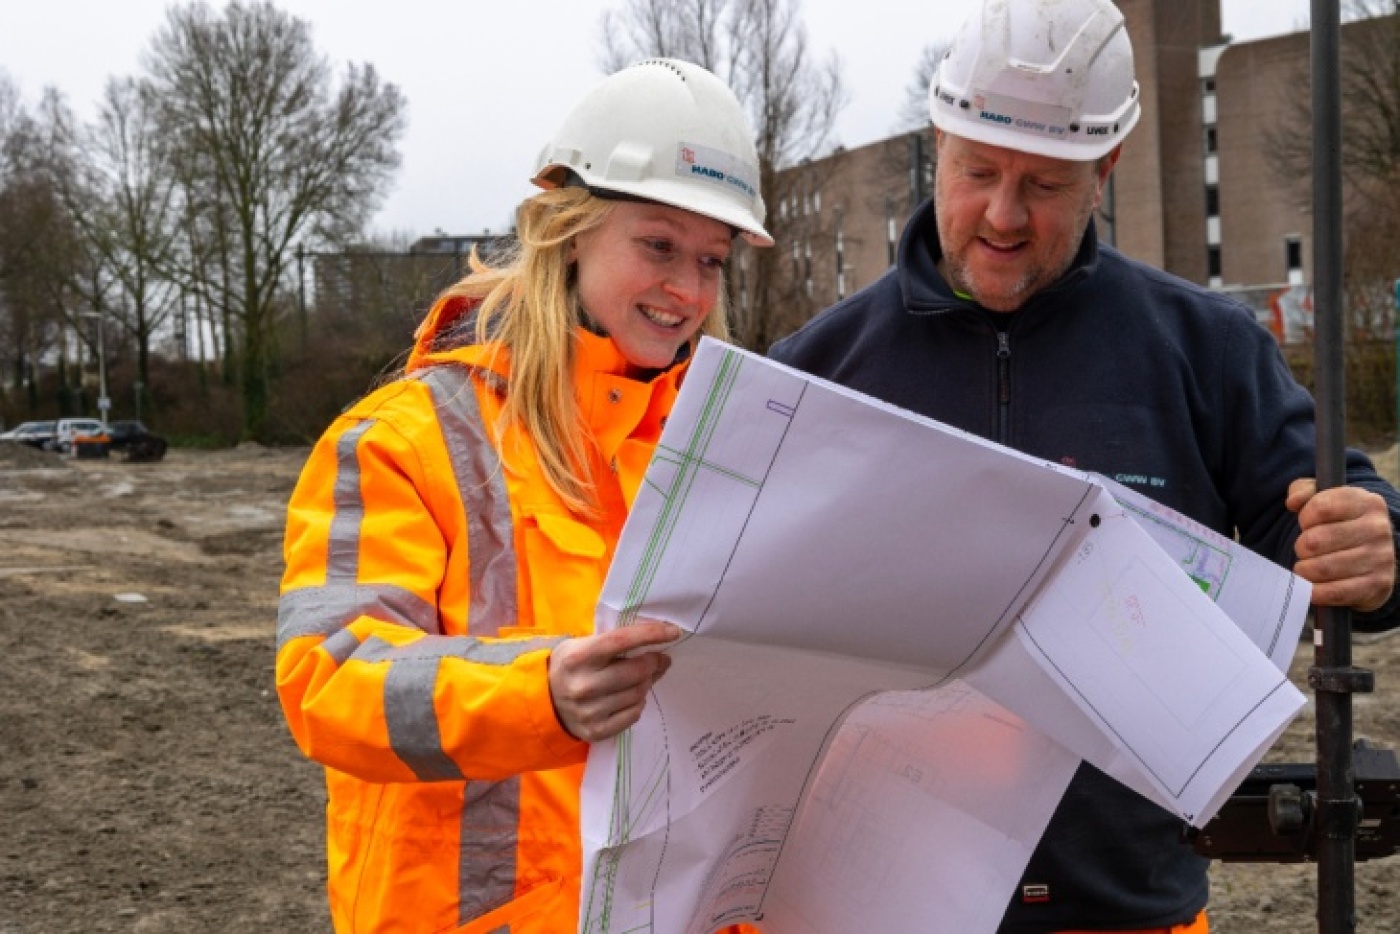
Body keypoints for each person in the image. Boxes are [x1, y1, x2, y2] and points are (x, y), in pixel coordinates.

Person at [769, 0, 1400, 931]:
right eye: (978, 171)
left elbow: (1325, 519)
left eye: (1045, 184)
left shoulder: (1204, 350)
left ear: (1106, 170)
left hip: (1128, 908)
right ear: (938, 144)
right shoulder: (817, 372)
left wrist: (1376, 550)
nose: (1003, 215)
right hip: (871, 905)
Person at [276, 59, 772, 934]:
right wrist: (538, 694)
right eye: (658, 246)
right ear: (569, 231)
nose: (689, 291)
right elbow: (329, 674)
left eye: (711, 260)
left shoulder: (717, 452)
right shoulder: (404, 440)